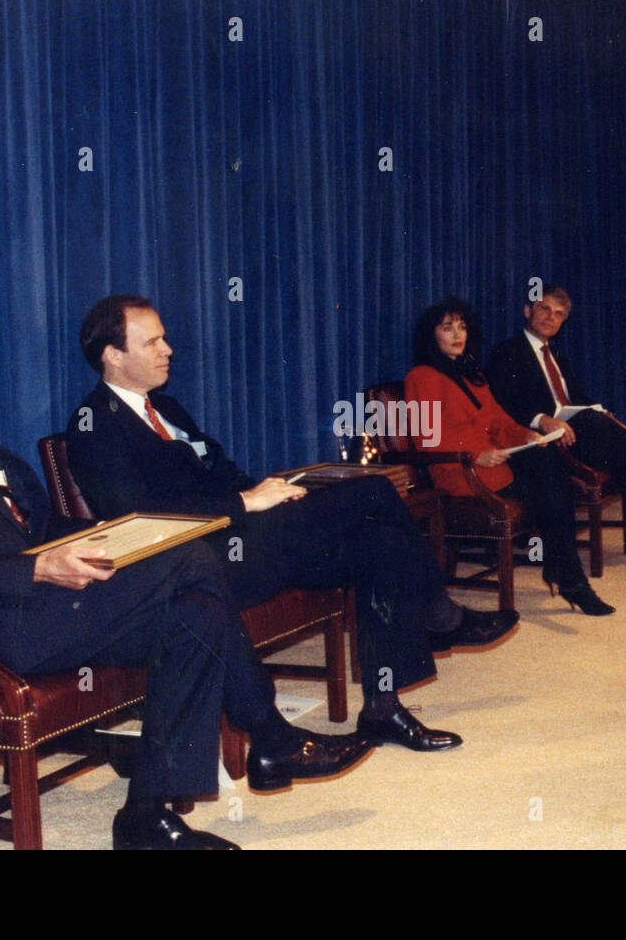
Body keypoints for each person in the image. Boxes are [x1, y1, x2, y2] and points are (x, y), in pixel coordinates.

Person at [0, 309, 371, 850]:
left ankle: (148, 817)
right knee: (193, 564)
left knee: (194, 609)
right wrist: (36, 566)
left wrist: (112, 536)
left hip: (35, 603)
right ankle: (270, 735)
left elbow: (39, 525)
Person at [66, 295, 519, 756]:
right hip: (203, 564)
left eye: (164, 338)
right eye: (152, 342)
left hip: (250, 539)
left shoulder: (169, 409)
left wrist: (269, 490)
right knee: (374, 491)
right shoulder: (93, 426)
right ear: (113, 355)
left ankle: (384, 706)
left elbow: (220, 472)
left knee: (379, 542)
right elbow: (141, 517)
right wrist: (245, 501)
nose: (168, 349)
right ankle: (441, 615)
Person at [404, 296, 615, 616]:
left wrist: (526, 435)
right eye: (447, 328)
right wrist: (477, 455)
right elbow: (428, 438)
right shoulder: (420, 377)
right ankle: (568, 578)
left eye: (462, 327)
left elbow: (498, 422)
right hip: (461, 472)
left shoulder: (472, 376)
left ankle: (566, 574)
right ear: (431, 336)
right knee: (550, 480)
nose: (457, 334)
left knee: (549, 464)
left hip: (496, 463)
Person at [486, 286, 626, 579]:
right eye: (544, 308)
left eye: (559, 314)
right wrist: (542, 420)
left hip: (577, 435)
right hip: (541, 443)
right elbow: (502, 403)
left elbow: (577, 398)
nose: (551, 317)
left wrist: (602, 413)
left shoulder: (558, 356)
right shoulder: (506, 352)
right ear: (527, 311)